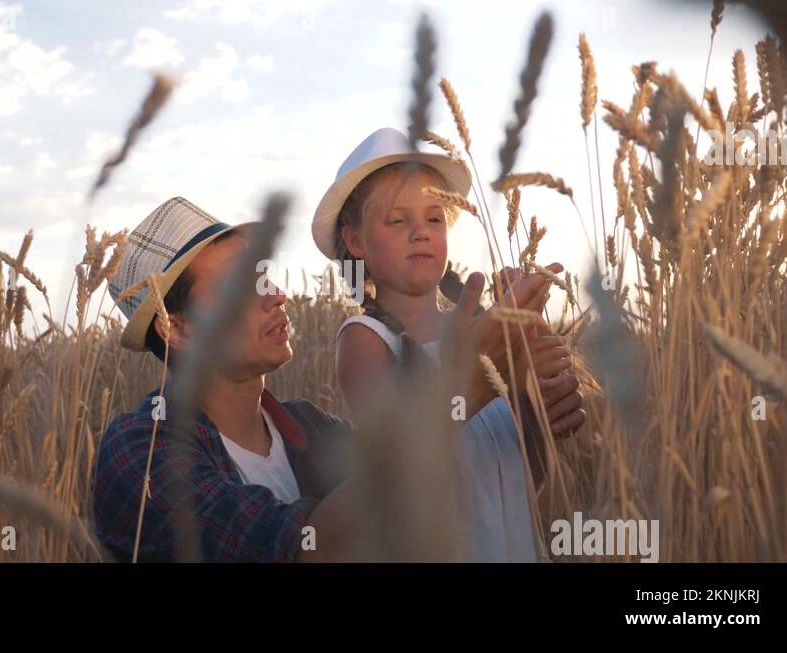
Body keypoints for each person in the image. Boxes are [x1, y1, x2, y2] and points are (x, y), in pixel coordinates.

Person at [91, 195, 575, 562]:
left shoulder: (311, 428)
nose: (276, 295)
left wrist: (526, 416)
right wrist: (458, 392)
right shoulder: (140, 455)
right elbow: (309, 549)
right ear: (176, 328)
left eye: (266, 276)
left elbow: (435, 509)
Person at [311, 127, 586, 561]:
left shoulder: (487, 333)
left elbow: (523, 479)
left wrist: (536, 407)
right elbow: (402, 463)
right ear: (355, 241)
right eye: (398, 220)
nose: (420, 232)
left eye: (434, 218)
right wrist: (477, 370)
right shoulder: (366, 339)